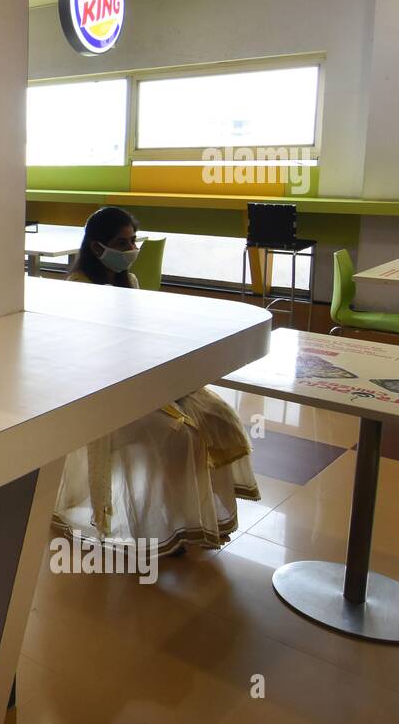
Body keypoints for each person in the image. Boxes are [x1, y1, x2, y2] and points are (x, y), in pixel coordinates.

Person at [54, 206, 259, 557]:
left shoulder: (128, 282)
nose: (131, 249)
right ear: (96, 247)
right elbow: (87, 359)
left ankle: (183, 518)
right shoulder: (80, 289)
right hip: (104, 393)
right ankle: (167, 526)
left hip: (139, 380)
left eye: (133, 240)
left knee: (218, 416)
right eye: (122, 242)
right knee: (181, 436)